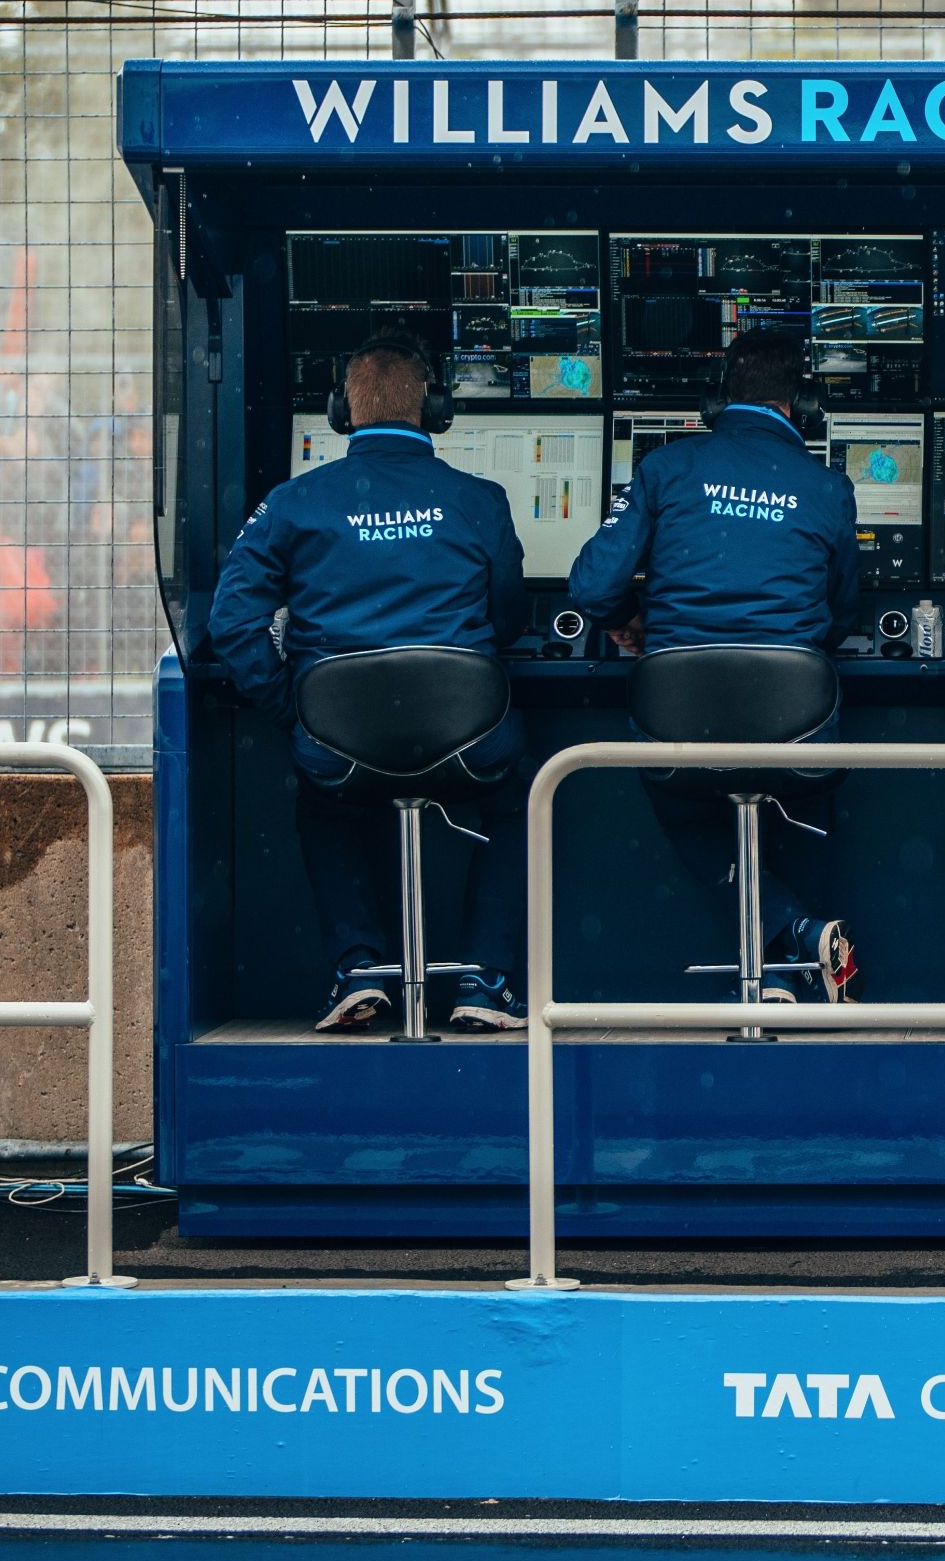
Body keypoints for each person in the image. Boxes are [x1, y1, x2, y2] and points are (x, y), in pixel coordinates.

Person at [206, 334, 531, 1033]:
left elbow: (231, 618)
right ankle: (483, 977)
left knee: (324, 804)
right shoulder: (481, 499)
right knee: (517, 799)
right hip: (466, 743)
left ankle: (358, 968)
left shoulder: (292, 502)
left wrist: (290, 706)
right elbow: (510, 617)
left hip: (341, 746)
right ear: (434, 410)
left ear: (340, 412)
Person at [568, 330, 864, 997]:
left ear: (714, 401)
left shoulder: (665, 468)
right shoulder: (827, 486)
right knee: (811, 791)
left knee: (677, 794)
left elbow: (590, 586)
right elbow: (844, 610)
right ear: (803, 406)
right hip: (795, 716)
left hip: (682, 717)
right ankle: (795, 945)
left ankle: (788, 935)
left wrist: (627, 622)